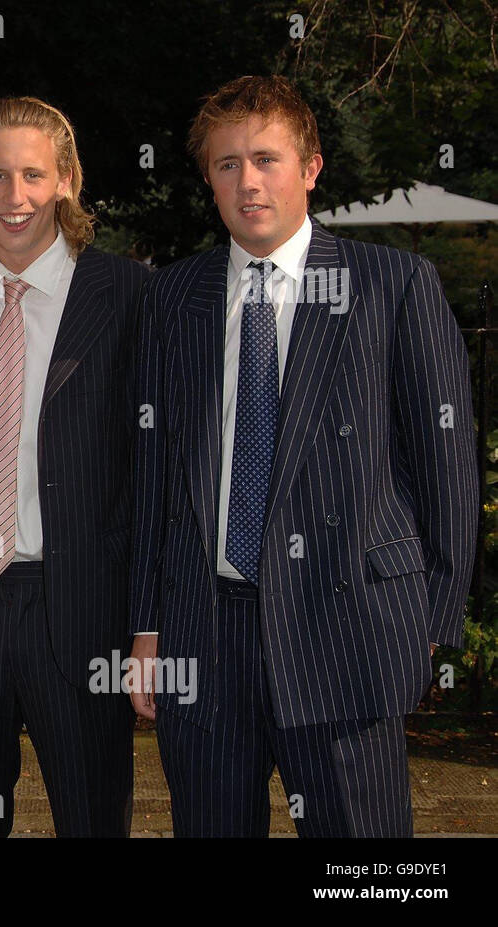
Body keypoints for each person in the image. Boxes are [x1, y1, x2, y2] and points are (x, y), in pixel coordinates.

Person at [128, 75, 478, 836]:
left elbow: (447, 463)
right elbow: (153, 474)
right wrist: (147, 627)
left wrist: (429, 618)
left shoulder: (393, 285)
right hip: (204, 635)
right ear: (209, 179)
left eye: (267, 159)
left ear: (311, 167)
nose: (247, 182)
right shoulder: (173, 297)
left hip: (348, 628)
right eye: (227, 164)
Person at [0, 96, 146, 837]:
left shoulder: (128, 295)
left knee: (92, 817)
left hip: (77, 602)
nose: (15, 196)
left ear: (67, 180)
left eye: (34, 175)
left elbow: (158, 468)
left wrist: (149, 620)